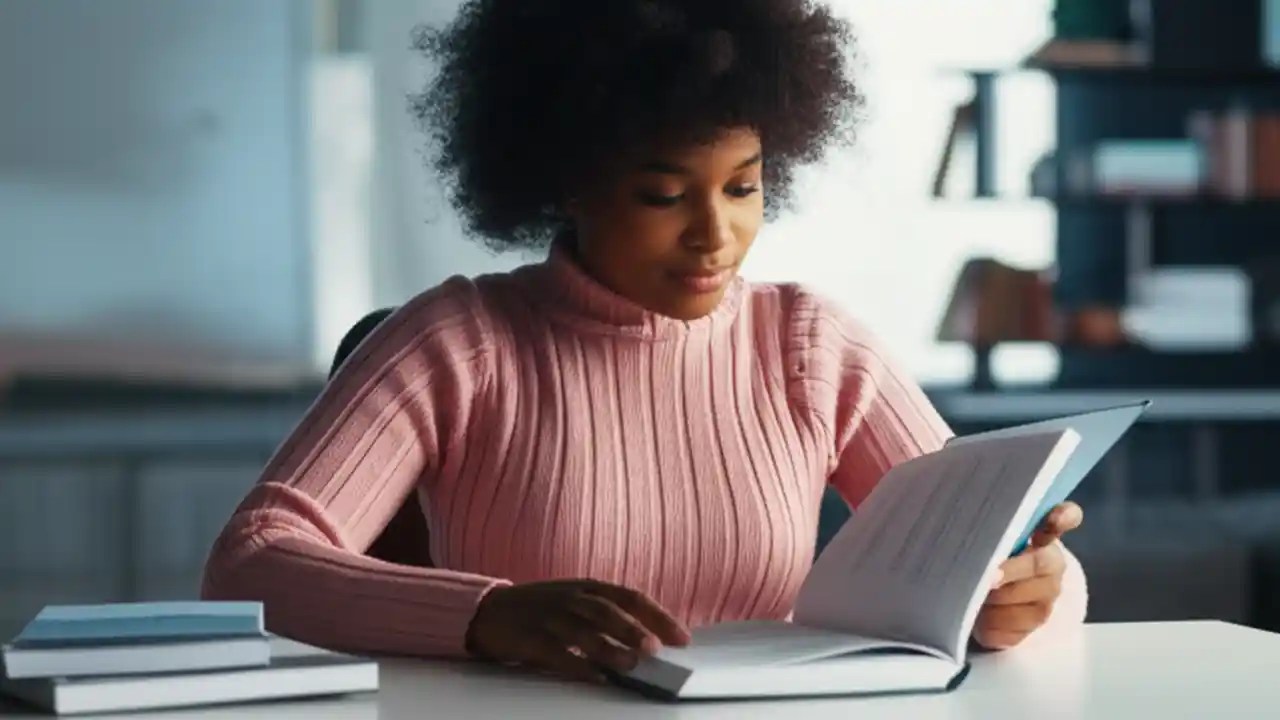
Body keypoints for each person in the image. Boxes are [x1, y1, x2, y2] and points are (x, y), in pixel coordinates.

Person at [202, 0, 1088, 684]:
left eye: (743, 187)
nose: (715, 236)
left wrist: (1025, 595)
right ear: (570, 182)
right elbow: (250, 563)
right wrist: (483, 616)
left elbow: (1021, 567)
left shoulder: (810, 348)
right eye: (664, 196)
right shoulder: (459, 344)